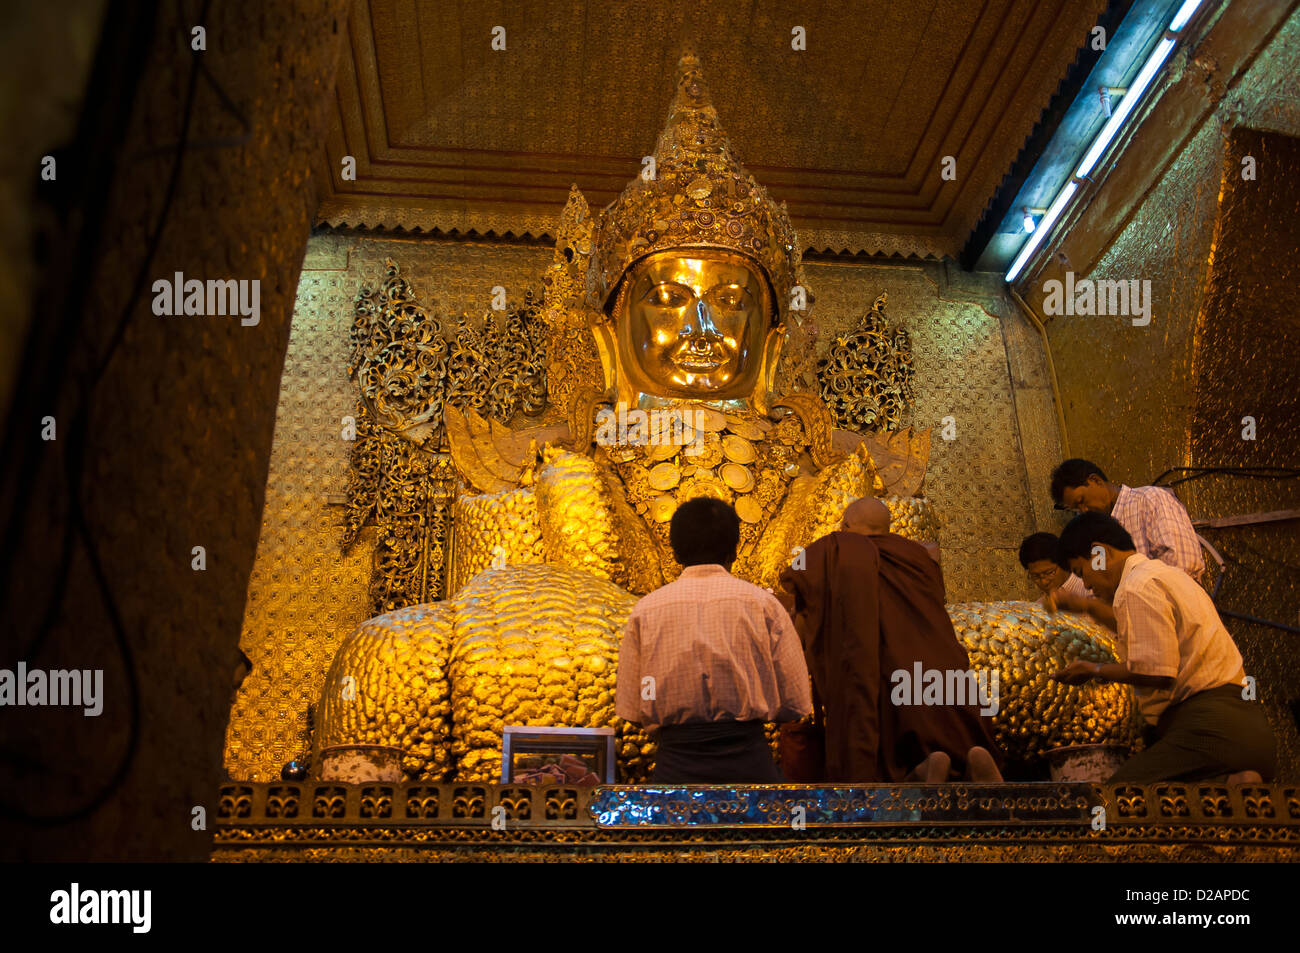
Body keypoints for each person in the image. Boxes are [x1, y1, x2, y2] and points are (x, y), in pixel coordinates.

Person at [779, 497, 1003, 783]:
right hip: (943, 667)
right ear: (887, 528)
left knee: (875, 748)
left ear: (845, 525)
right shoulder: (917, 555)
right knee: (947, 717)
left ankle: (917, 774)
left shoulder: (830, 550)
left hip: (876, 669)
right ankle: (968, 761)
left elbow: (802, 602)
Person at [1050, 512, 1274, 784]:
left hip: (1211, 732)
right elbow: (1147, 632)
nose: (1085, 584)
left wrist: (1094, 669)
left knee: (1119, 802)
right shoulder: (1164, 576)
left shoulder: (1135, 588)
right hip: (1248, 732)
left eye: (1081, 572)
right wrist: (1085, 606)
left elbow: (1156, 672)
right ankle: (1228, 784)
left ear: (1100, 553)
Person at [614, 497, 812, 782]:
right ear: (733, 551)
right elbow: (795, 703)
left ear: (675, 552)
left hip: (675, 770)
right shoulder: (763, 605)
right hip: (749, 767)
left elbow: (631, 707)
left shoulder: (647, 610)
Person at [1049, 458, 1205, 584]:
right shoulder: (1093, 534)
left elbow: (1183, 567)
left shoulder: (1149, 500)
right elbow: (1102, 581)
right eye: (1076, 510)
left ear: (1095, 480)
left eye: (1082, 500)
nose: (1083, 511)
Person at [1017, 531, 1115, 630]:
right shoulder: (1039, 608)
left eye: (1050, 573)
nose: (1044, 582)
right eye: (1036, 576)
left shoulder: (1090, 588)